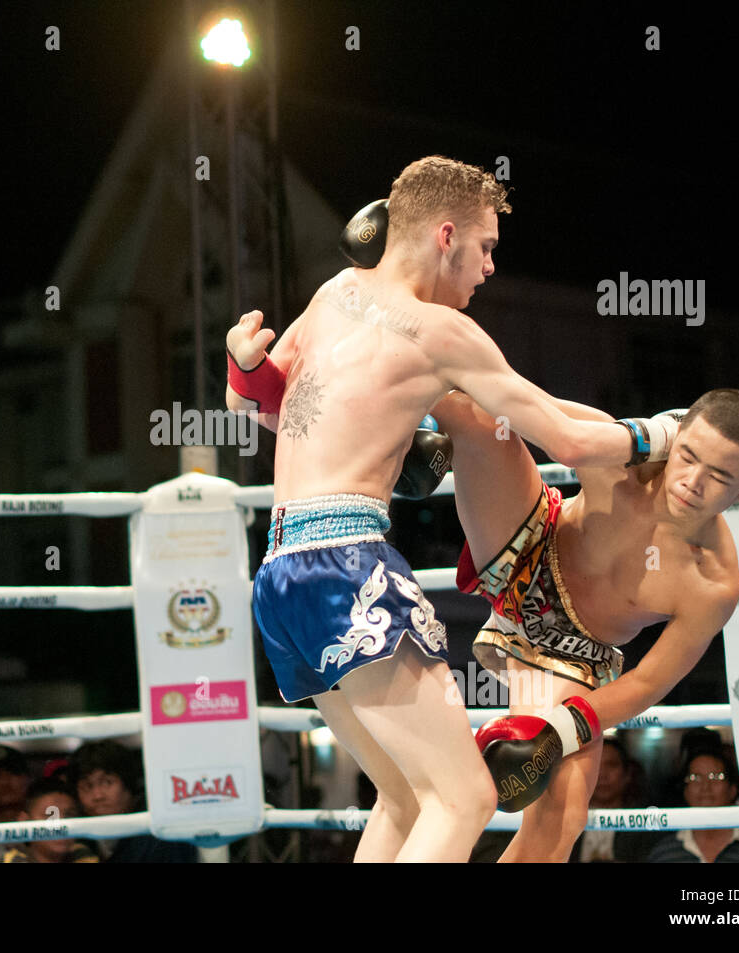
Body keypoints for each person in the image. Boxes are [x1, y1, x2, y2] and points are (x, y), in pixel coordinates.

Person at [227, 156, 644, 862]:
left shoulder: (335, 293)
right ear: (445, 235)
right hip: (348, 564)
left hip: (278, 573)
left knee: (407, 798)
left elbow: (254, 402)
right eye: (486, 248)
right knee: (467, 797)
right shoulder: (442, 333)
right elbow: (568, 438)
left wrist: (242, 361)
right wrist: (665, 438)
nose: (488, 270)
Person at [427, 386, 739, 861]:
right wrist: (424, 427)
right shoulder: (622, 457)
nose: (692, 481)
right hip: (527, 541)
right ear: (676, 438)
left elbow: (649, 681)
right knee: (471, 410)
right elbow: (519, 400)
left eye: (718, 476)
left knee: (561, 820)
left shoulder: (713, 584)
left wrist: (557, 733)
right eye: (688, 456)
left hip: (568, 650)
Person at [647, 747, 739, 862]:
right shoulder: (663, 854)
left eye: (716, 777)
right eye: (695, 777)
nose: (705, 787)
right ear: (685, 791)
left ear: (733, 790)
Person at [2, 777, 99, 863]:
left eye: (69, 816)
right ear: (25, 821)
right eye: (49, 816)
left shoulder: (82, 854)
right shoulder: (13, 860)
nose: (60, 825)